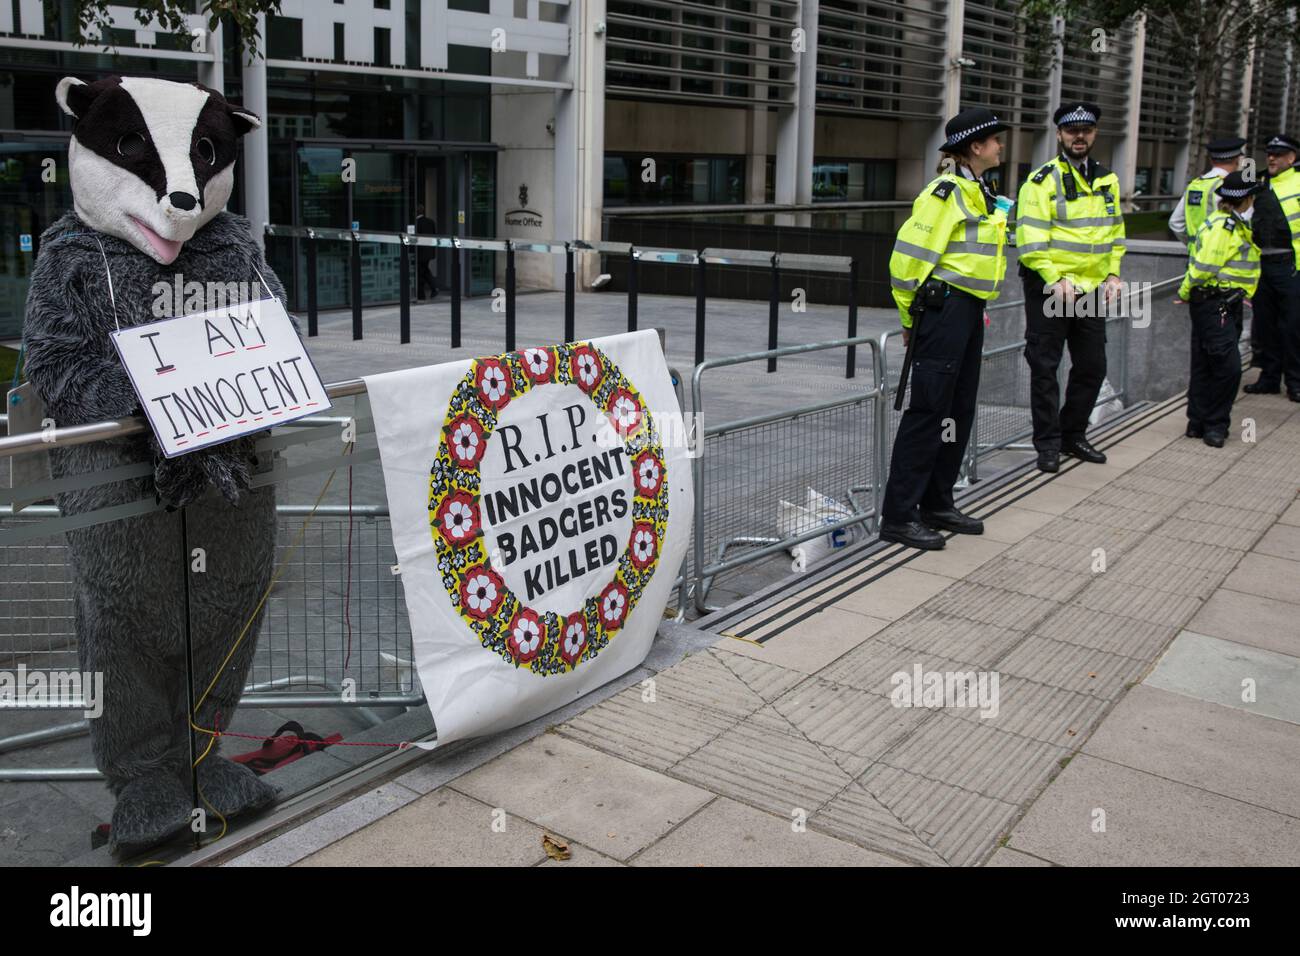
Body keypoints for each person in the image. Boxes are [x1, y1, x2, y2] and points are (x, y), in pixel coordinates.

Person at [879, 107, 1010, 551]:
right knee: (929, 412)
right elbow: (906, 260)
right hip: (943, 313)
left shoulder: (979, 190)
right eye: (995, 140)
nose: (1001, 146)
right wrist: (908, 319)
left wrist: (975, 303)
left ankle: (937, 503)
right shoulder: (945, 191)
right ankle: (899, 516)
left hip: (968, 311)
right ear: (976, 146)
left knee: (958, 411)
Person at [1015, 102, 1127, 473]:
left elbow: (1115, 233)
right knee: (1045, 367)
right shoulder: (1041, 180)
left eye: (1087, 130)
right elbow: (1029, 239)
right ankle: (1047, 443)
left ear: (1094, 134)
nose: (1080, 137)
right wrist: (1055, 278)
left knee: (1092, 365)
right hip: (1051, 288)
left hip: (1091, 289)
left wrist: (1112, 273)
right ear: (1060, 135)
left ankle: (1072, 434)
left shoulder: (1106, 180)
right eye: (1072, 130)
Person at [1179, 171, 1262, 447]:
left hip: (1218, 302)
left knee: (1204, 362)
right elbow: (1204, 267)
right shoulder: (1224, 226)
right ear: (1247, 199)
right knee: (1228, 367)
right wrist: (1184, 291)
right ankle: (1215, 425)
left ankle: (1198, 422)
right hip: (1217, 304)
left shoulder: (1226, 223)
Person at [1243, 134, 1300, 399]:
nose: (1272, 158)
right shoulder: (1258, 181)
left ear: (1292, 157)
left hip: (1291, 265)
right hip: (1262, 265)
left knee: (1292, 326)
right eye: (1269, 153)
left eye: (1278, 154)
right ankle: (1269, 378)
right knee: (1265, 325)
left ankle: (1296, 382)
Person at [1169, 137, 1246, 248]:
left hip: (1196, 259)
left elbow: (1175, 223)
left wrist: (1194, 243)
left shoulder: (1194, 185)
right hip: (1223, 257)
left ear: (1211, 160)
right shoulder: (1229, 186)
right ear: (1237, 160)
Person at [415, 204, 438, 299]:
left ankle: (423, 294)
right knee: (424, 270)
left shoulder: (416, 223)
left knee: (421, 272)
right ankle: (433, 289)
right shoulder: (430, 222)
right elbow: (434, 235)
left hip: (420, 252)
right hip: (429, 252)